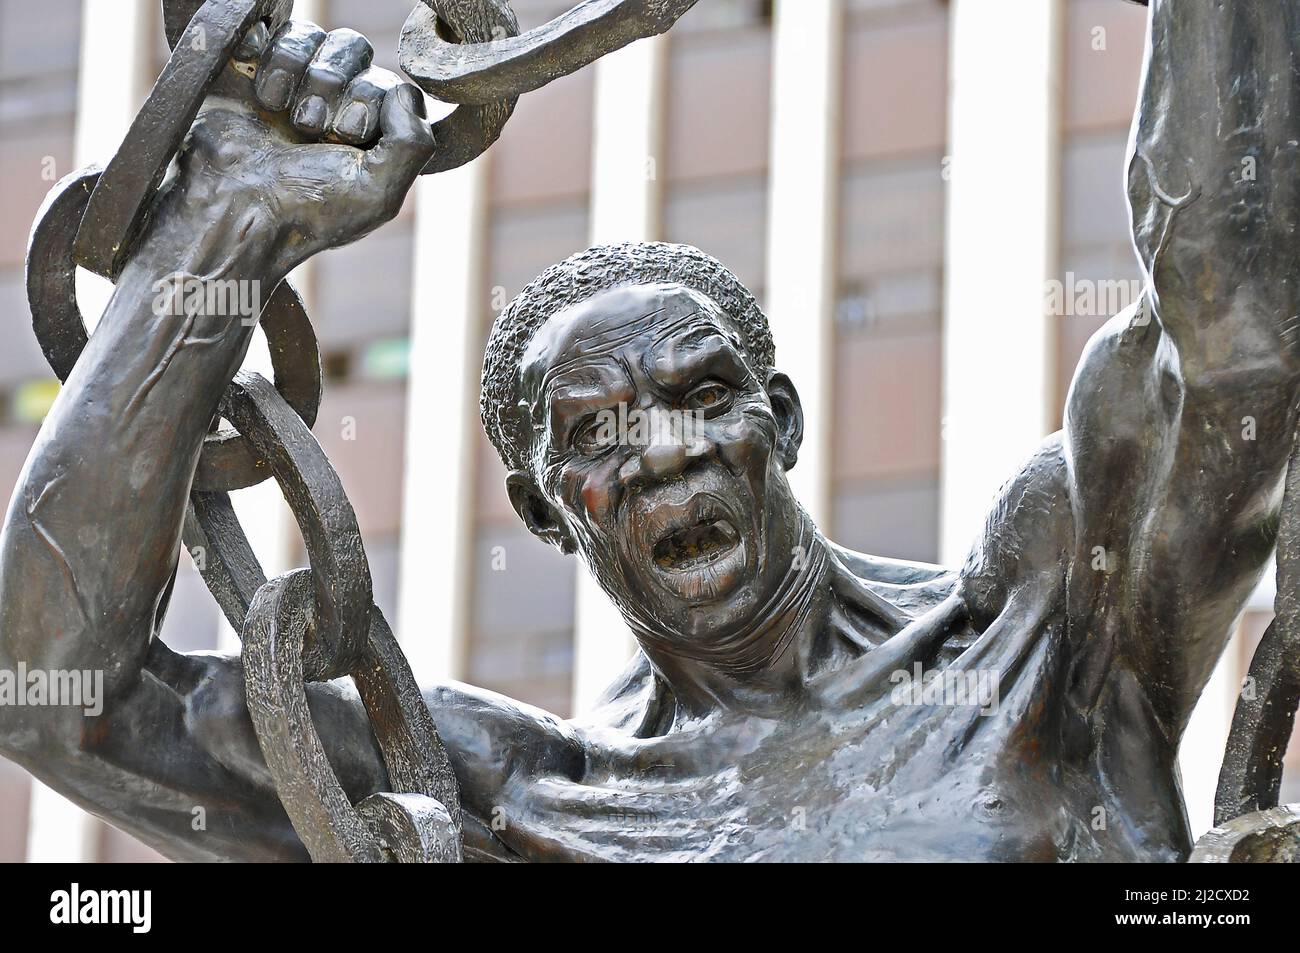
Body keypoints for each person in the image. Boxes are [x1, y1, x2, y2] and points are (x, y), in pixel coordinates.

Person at [1, 0, 1293, 861]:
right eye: (603, 436)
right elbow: (62, 698)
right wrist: (229, 222)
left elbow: (1235, 352)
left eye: (698, 398)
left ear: (776, 420)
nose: (665, 449)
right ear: (546, 510)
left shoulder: (1037, 617)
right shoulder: (527, 796)